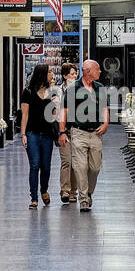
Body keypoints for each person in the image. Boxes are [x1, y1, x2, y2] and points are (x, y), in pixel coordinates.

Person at [58, 59, 109, 213]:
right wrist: (62, 132)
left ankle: (89, 192)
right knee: (80, 167)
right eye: (97, 69)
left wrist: (106, 123)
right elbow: (64, 111)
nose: (100, 71)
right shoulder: (73, 89)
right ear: (88, 71)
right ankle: (84, 198)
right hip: (78, 132)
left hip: (95, 133)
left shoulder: (100, 88)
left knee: (95, 168)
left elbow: (105, 108)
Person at [19, 62, 58, 209]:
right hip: (32, 133)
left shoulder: (52, 92)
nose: (52, 74)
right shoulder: (28, 92)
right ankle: (34, 198)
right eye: (49, 72)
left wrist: (55, 105)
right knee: (34, 165)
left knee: (46, 167)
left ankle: (44, 190)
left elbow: (54, 116)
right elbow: (25, 115)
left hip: (47, 134)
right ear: (42, 74)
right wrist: (23, 134)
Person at [56, 63, 78, 204]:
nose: (75, 76)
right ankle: (65, 190)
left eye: (76, 74)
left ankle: (72, 192)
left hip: (76, 129)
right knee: (66, 161)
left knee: (76, 162)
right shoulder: (58, 91)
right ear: (65, 76)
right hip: (63, 130)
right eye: (72, 74)